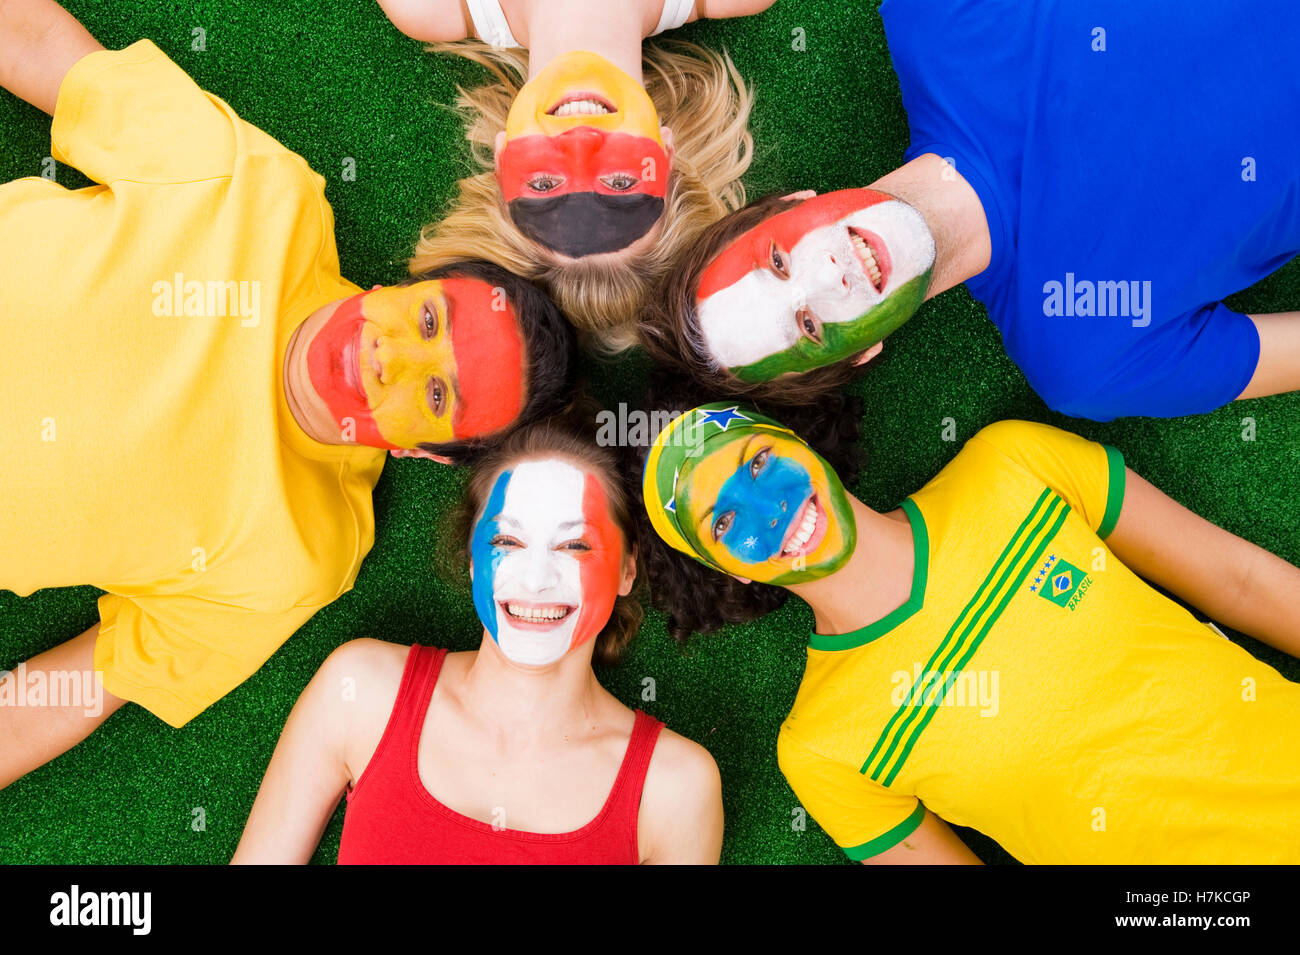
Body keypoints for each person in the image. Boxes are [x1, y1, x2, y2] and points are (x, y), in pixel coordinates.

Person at [0, 0, 575, 789]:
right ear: (408, 285)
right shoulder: (257, 191)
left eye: (436, 392)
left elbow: (80, 685)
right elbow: (34, 47)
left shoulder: (302, 556)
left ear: (424, 451)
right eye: (427, 317)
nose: (388, 355)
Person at [637, 401, 1300, 863]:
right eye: (724, 523)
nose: (770, 507)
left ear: (795, 439)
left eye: (757, 462)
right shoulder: (822, 749)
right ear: (727, 569)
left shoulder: (1011, 462)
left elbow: (1241, 580)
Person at [641, 0, 1300, 421]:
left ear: (788, 205)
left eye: (779, 261)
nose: (830, 276)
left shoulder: (936, 18)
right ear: (863, 353)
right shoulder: (1084, 359)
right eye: (810, 324)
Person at [233, 419, 723, 864]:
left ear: (627, 569)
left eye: (574, 545)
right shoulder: (360, 691)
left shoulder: (674, 788)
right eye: (506, 543)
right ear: (472, 558)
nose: (536, 580)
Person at [379, 0, 775, 351]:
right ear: (666, 152)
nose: (581, 143)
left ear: (502, 161)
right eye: (621, 182)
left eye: (545, 185)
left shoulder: (428, 7)